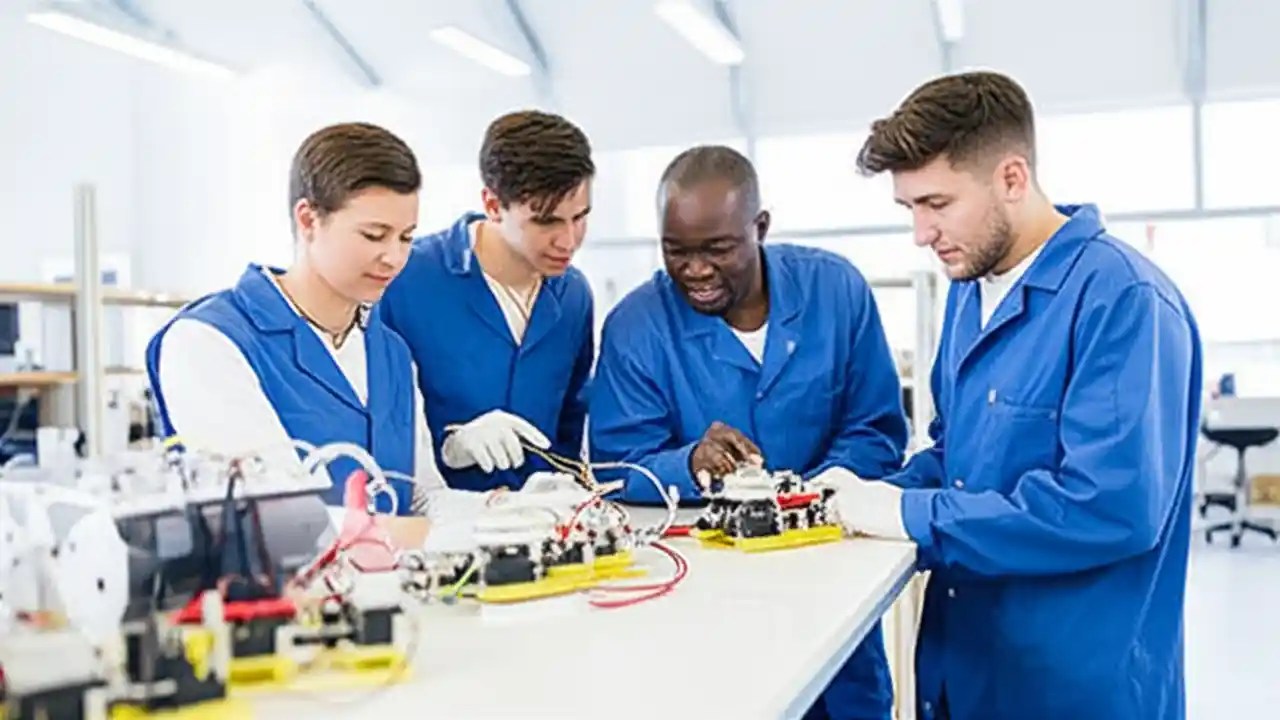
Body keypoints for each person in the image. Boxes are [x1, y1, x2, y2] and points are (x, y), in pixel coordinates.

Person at [836, 71, 1201, 720]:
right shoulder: (969, 289)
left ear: (1012, 178)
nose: (922, 233)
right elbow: (961, 454)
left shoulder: (1122, 300)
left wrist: (910, 517)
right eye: (910, 208)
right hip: (963, 668)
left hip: (1072, 689)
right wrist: (875, 492)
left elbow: (1109, 507)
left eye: (938, 204)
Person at [589, 145, 910, 720]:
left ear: (760, 227)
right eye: (676, 251)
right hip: (705, 611)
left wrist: (802, 501)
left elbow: (877, 429)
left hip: (830, 581)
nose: (695, 270)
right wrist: (688, 463)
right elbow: (616, 466)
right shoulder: (637, 327)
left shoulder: (836, 292)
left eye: (717, 249)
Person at [146, 122, 479, 545]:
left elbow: (420, 497)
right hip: (281, 605)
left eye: (406, 238)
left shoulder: (390, 352)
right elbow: (275, 522)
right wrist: (436, 535)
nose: (394, 257)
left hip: (396, 599)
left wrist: (513, 512)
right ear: (308, 220)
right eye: (373, 235)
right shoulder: (209, 341)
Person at [379, 110, 596, 492]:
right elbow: (379, 427)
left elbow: (569, 427)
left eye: (579, 217)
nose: (568, 241)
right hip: (439, 530)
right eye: (546, 222)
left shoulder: (574, 295)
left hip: (542, 527)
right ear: (493, 206)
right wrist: (450, 448)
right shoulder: (403, 280)